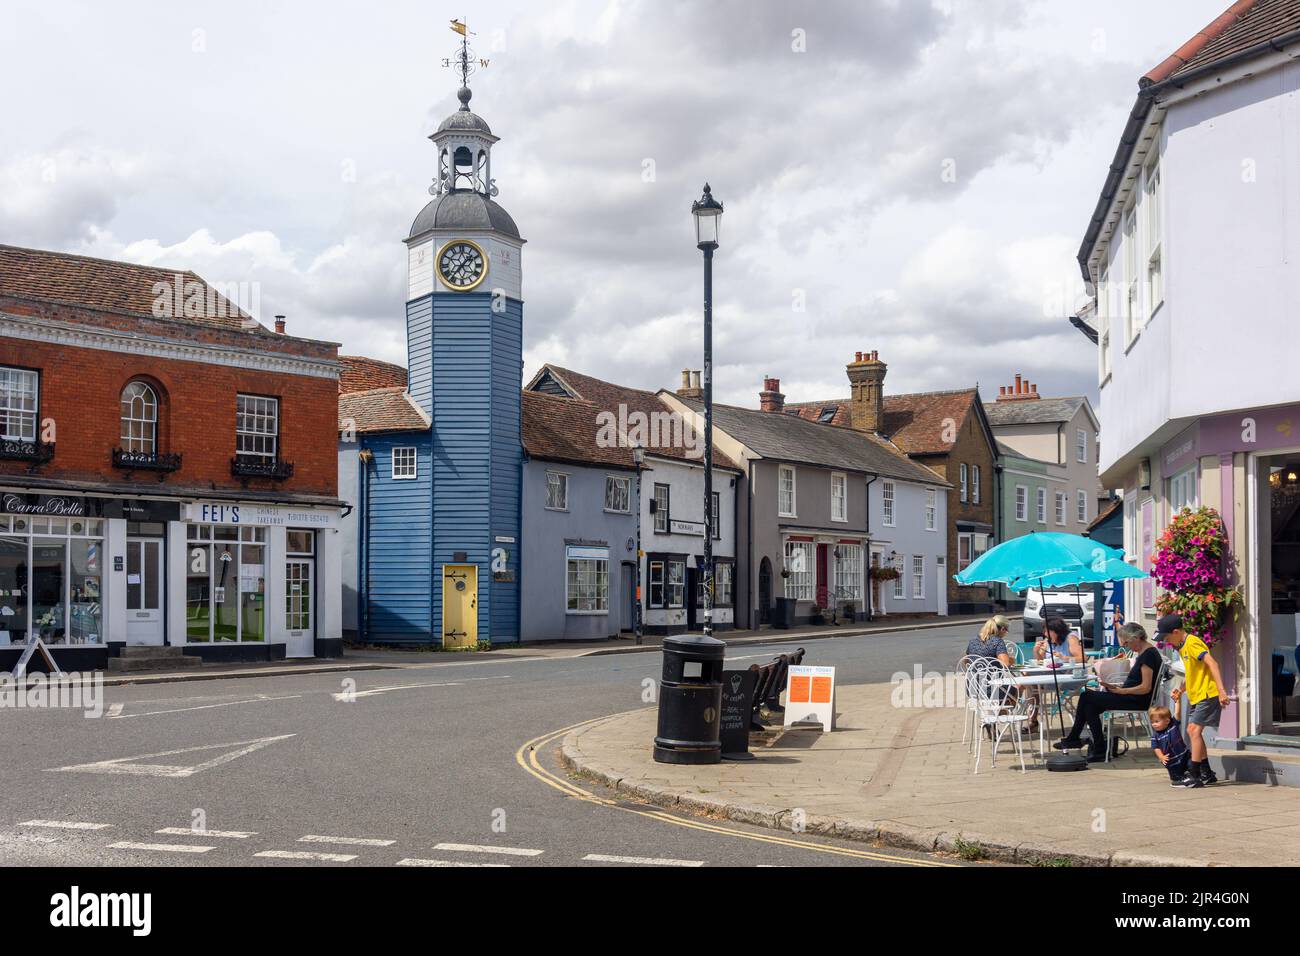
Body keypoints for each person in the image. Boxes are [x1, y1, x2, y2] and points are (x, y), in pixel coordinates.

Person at [1053, 622, 1162, 761]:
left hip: (1136, 699)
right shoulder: (1145, 653)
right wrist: (1116, 688)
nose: (1125, 646)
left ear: (1137, 638)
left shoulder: (1148, 655)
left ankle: (1081, 740)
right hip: (1129, 695)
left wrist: (1123, 691)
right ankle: (1094, 747)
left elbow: (1146, 687)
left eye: (1126, 643)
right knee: (1089, 704)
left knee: (1087, 697)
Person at [1159, 614, 1230, 788]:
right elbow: (1193, 671)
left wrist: (1221, 691)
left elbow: (1212, 664)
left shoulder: (1193, 643)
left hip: (1208, 693)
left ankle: (1194, 774)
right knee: (1193, 732)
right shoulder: (1182, 646)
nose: (1167, 641)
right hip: (1196, 694)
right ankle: (1207, 773)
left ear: (1176, 632)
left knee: (1193, 730)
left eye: (1167, 637)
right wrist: (1182, 689)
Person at [1149, 705, 1190, 786]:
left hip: (1184, 755)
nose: (1154, 724)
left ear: (1167, 721)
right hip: (1171, 761)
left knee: (1192, 766)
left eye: (1156, 721)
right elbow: (1156, 747)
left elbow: (1177, 713)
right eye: (1152, 722)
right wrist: (1161, 756)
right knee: (1176, 778)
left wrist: (1177, 701)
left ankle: (1193, 775)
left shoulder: (1173, 726)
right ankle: (1180, 779)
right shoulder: (1155, 736)